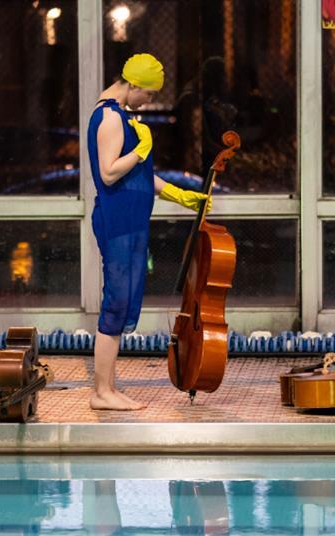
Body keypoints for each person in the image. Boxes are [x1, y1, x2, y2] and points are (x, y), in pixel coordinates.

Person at [87, 53, 211, 411]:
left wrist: (177, 193)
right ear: (133, 85)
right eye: (150, 94)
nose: (150, 102)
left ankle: (108, 388)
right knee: (116, 302)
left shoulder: (122, 116)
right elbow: (110, 173)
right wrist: (141, 151)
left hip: (130, 220)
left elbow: (138, 176)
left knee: (123, 300)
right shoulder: (110, 119)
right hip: (118, 221)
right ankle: (101, 393)